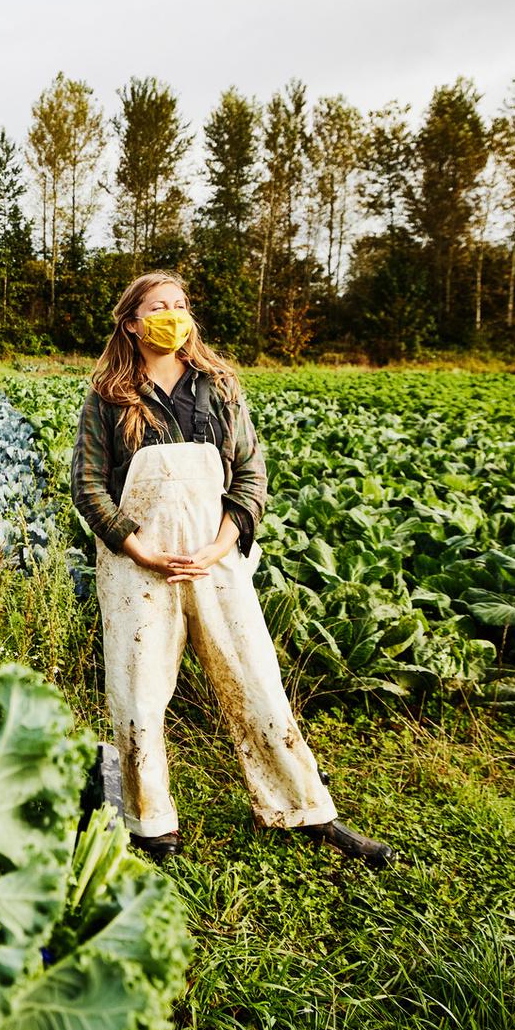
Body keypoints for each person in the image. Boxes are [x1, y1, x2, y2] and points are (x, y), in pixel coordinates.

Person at [72, 270, 393, 868]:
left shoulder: (218, 387)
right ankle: (151, 824)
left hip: (215, 560)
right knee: (138, 695)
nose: (174, 313)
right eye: (159, 306)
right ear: (132, 324)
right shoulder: (109, 395)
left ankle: (303, 809)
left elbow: (249, 476)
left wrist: (221, 544)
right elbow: (89, 486)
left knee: (256, 682)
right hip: (138, 565)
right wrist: (135, 545)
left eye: (181, 304)